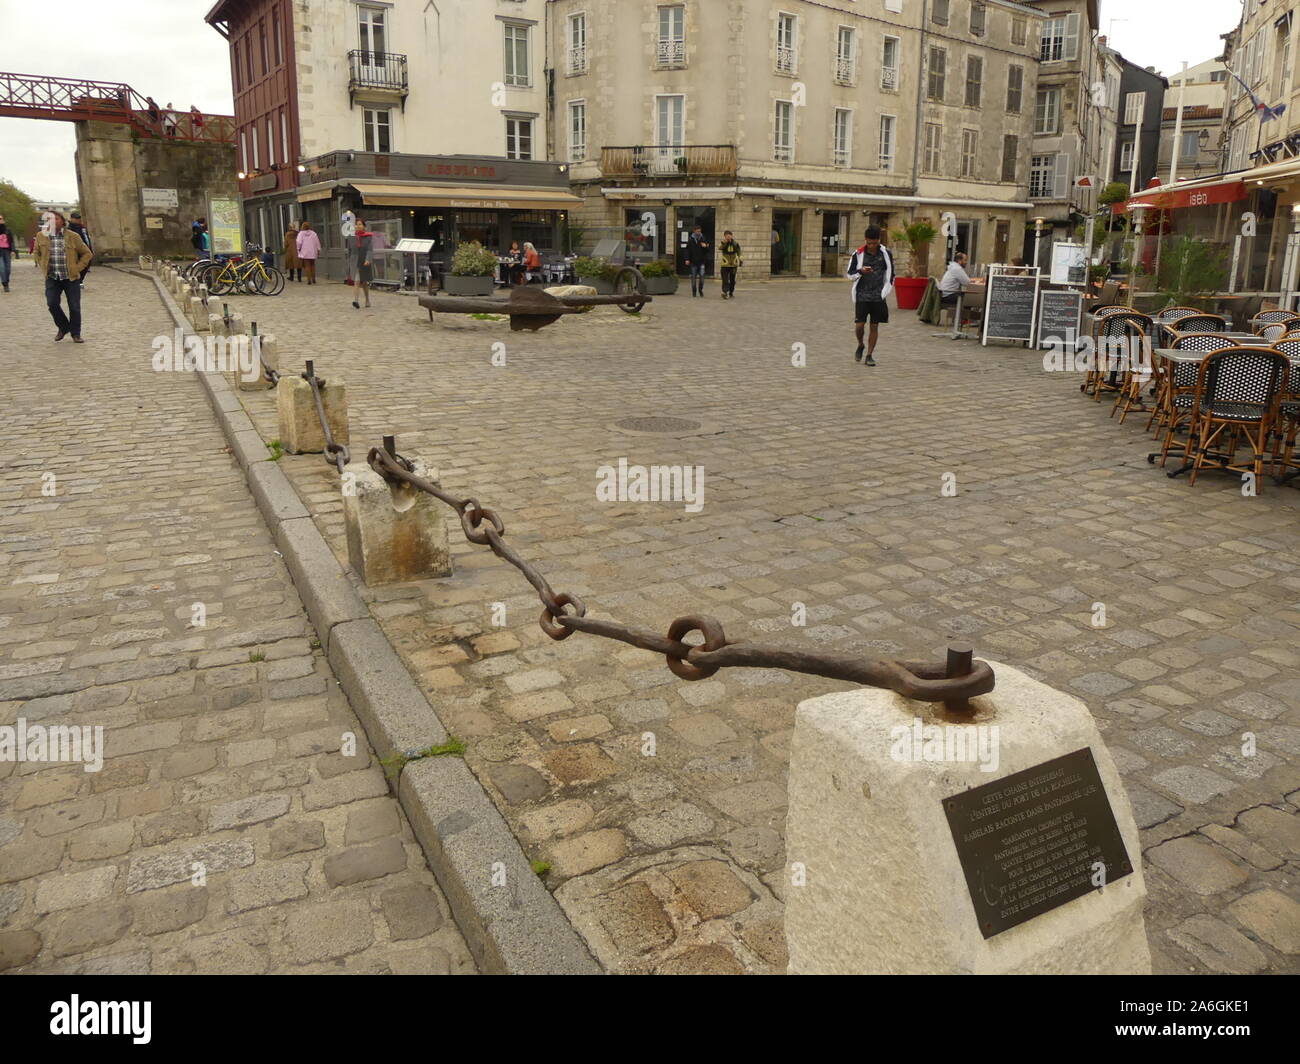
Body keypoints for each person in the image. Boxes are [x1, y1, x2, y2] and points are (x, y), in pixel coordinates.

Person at [34, 211, 93, 343]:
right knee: (52, 303)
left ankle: (76, 333)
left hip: (70, 277)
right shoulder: (41, 236)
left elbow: (87, 254)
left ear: (62, 221)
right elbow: (37, 252)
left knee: (74, 306)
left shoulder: (73, 236)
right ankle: (63, 326)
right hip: (52, 276)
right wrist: (43, 264)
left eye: (56, 219)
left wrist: (78, 268)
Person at [846, 225, 895, 366]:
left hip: (878, 296)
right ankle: (861, 344)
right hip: (862, 296)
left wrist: (885, 291)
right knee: (859, 326)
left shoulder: (886, 253)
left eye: (875, 243)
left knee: (874, 326)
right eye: (869, 243)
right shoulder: (858, 254)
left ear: (879, 240)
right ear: (865, 240)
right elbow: (850, 275)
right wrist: (861, 271)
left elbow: (891, 274)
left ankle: (869, 355)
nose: (872, 246)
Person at [938, 252, 972, 325]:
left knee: (965, 296)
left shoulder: (953, 267)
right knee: (970, 298)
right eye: (965, 260)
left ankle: (961, 319)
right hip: (948, 295)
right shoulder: (957, 269)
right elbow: (967, 283)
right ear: (959, 261)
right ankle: (964, 320)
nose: (966, 262)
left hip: (944, 294)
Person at [67, 210, 93, 287]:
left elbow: (86, 238)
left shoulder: (82, 228)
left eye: (79, 218)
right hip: (75, 249)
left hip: (85, 248)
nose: (78, 219)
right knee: (77, 264)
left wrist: (90, 248)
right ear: (71, 218)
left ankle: (79, 279)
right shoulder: (70, 228)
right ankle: (76, 280)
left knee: (87, 263)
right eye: (76, 218)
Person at [352, 220, 373, 309]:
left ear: (364, 226)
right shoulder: (353, 237)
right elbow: (350, 250)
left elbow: (369, 249)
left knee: (364, 282)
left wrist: (368, 259)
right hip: (356, 262)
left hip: (364, 262)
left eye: (360, 224)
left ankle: (367, 299)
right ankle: (356, 301)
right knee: (356, 281)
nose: (358, 226)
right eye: (357, 224)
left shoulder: (368, 237)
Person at [685, 225, 710, 297]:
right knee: (693, 277)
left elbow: (708, 250)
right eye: (697, 231)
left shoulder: (704, 238)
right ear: (694, 231)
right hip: (693, 262)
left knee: (702, 276)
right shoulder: (691, 239)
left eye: (700, 231)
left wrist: (705, 247)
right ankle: (694, 291)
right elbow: (687, 250)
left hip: (702, 261)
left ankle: (700, 289)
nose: (699, 232)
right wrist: (687, 259)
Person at [718, 231, 742, 299]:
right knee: (725, 279)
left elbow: (739, 252)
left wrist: (740, 259)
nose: (728, 237)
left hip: (733, 265)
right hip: (725, 264)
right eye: (726, 236)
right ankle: (725, 292)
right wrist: (724, 242)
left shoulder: (735, 243)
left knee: (732, 280)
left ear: (732, 236)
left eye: (729, 235)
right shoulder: (723, 243)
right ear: (724, 236)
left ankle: (731, 292)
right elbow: (719, 247)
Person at [0, 212, 19, 293]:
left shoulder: (8, 230)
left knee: (8, 269)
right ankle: (5, 284)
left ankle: (6, 281)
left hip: (7, 251)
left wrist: (13, 250)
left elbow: (11, 241)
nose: (1, 220)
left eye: (1, 218)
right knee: (2, 269)